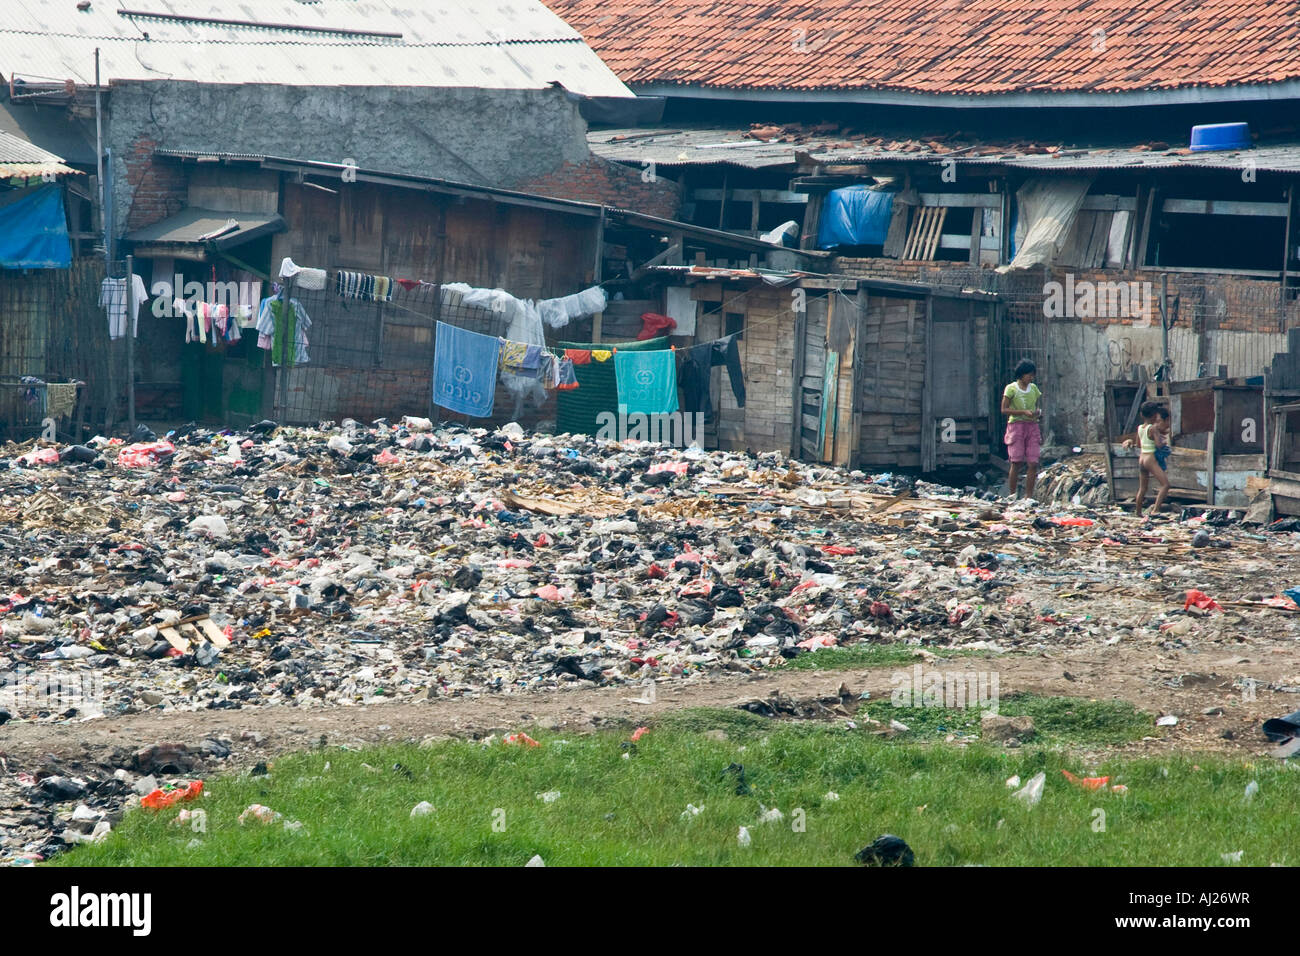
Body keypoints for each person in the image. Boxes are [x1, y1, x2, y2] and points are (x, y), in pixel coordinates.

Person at [1001, 360, 1042, 499]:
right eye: (1029, 375)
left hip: (1032, 426)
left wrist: (1036, 412)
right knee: (1016, 462)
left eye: (1032, 375)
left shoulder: (1034, 389)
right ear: (1021, 374)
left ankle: (1028, 497)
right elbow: (1004, 409)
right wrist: (1023, 412)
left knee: (1033, 462)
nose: (1031, 378)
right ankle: (1012, 495)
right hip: (1016, 427)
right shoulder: (1011, 389)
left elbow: (1036, 407)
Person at [1122, 402, 1171, 516]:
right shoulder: (1152, 428)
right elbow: (1159, 445)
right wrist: (1161, 439)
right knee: (1165, 485)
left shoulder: (1140, 428)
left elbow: (1138, 444)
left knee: (1142, 488)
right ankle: (1156, 510)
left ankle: (1138, 512)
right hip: (1150, 459)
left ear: (1141, 415)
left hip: (1142, 458)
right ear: (1154, 415)